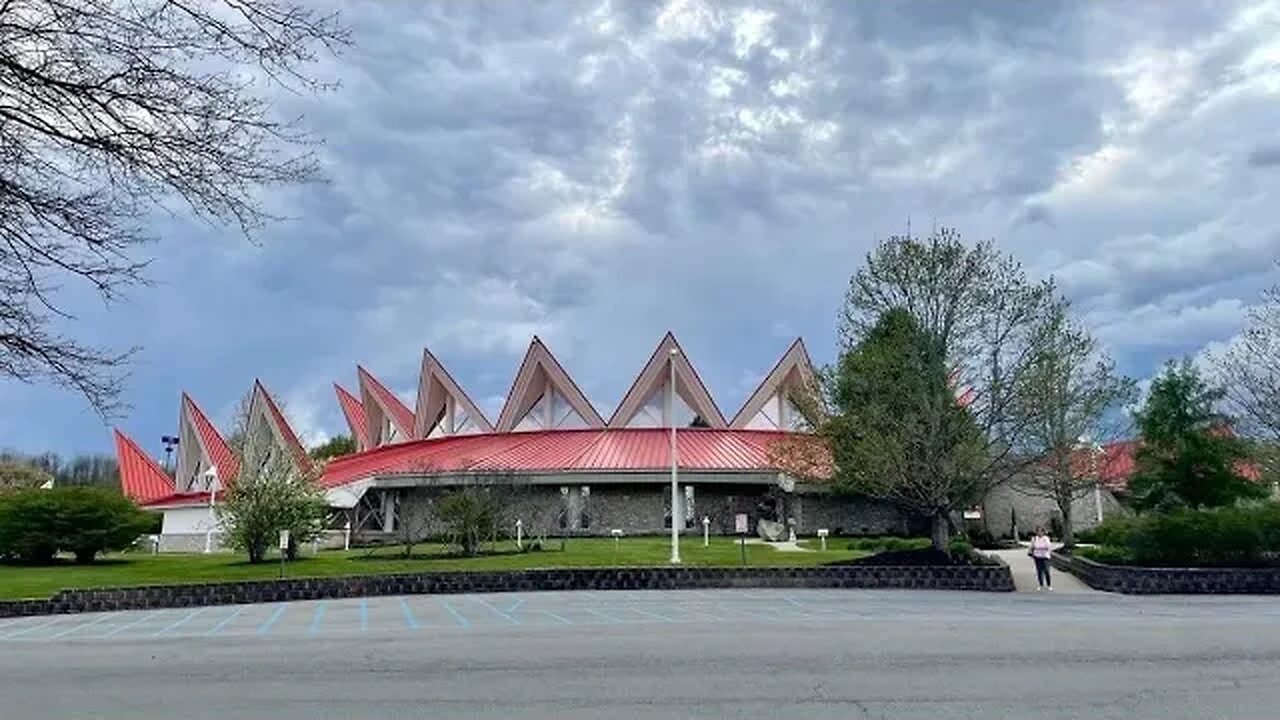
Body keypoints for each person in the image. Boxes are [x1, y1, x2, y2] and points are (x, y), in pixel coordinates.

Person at [1029, 526, 1053, 591]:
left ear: (1043, 532)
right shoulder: (1034, 539)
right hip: (1037, 556)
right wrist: (1036, 548)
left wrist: (1039, 547)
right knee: (1039, 571)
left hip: (1045, 557)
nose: (1039, 532)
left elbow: (1048, 546)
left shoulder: (1046, 538)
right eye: (1038, 531)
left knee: (1046, 571)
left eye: (1041, 531)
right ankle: (1041, 585)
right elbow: (1032, 546)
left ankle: (1049, 585)